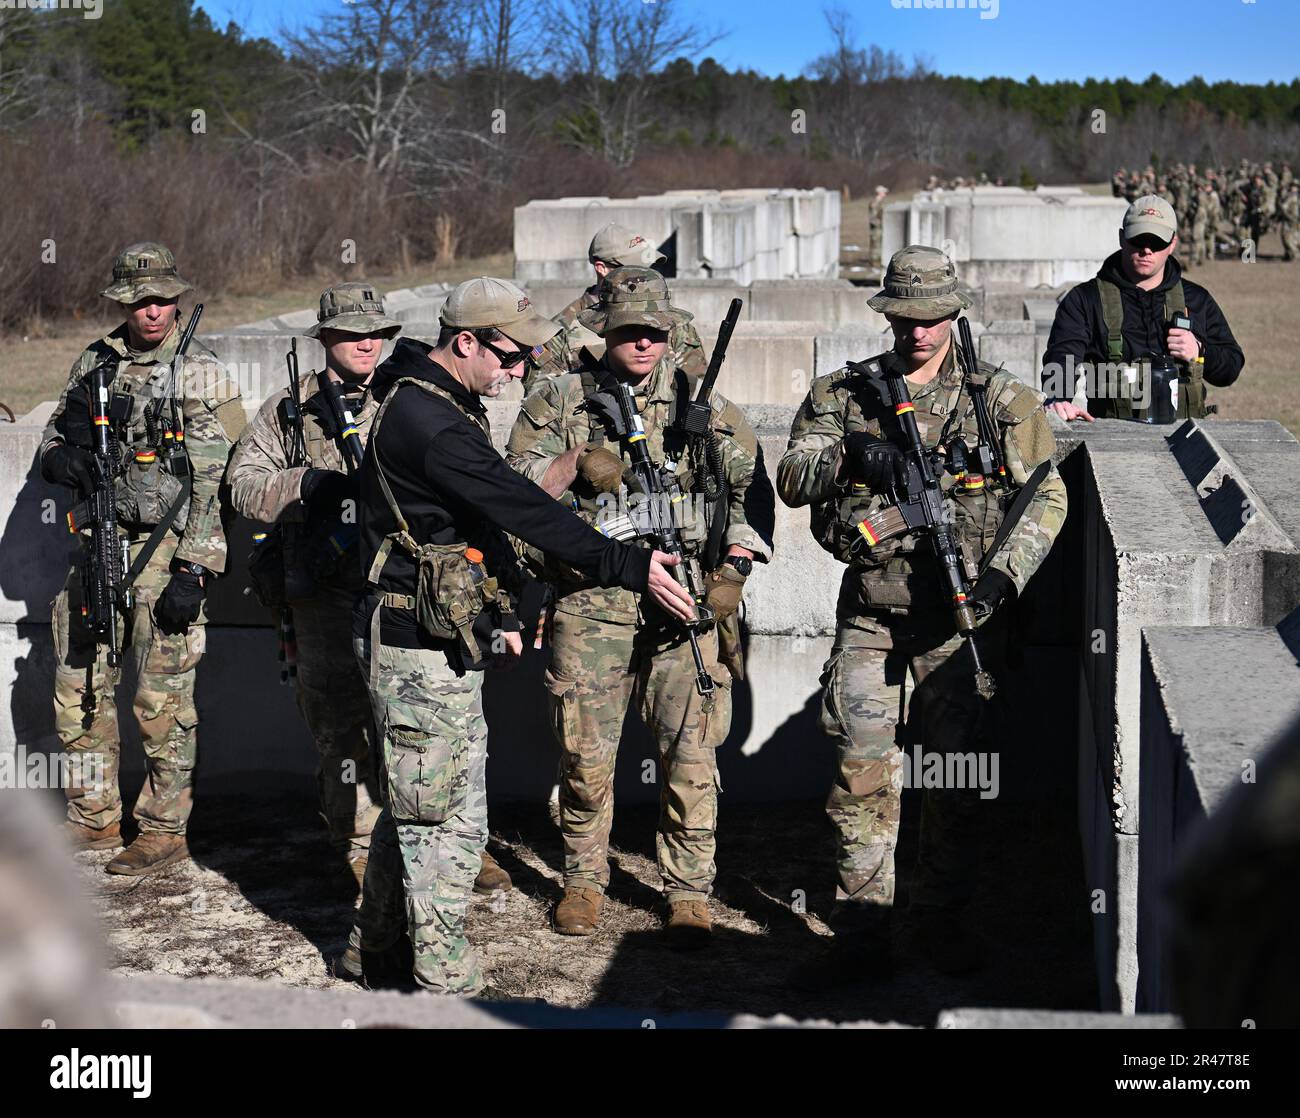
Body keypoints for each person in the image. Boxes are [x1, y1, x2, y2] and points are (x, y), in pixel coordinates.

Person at [338, 276, 693, 995]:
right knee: (444, 824)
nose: (520, 370)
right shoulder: (431, 424)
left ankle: (371, 949)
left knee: (417, 802)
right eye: (509, 355)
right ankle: (446, 987)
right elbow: (521, 507)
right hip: (413, 647)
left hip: (432, 637)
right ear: (464, 341)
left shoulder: (437, 399)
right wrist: (627, 563)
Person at [777, 245, 1067, 975]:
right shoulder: (845, 395)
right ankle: (865, 933)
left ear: (954, 313)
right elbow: (791, 477)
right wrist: (854, 456)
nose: (919, 332)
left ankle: (939, 921)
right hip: (873, 618)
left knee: (956, 781)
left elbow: (1046, 495)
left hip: (960, 622)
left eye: (933, 318)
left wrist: (1004, 578)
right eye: (905, 318)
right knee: (861, 777)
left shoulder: (998, 399)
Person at [506, 266, 775, 948]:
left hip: (684, 604)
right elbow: (512, 502)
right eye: (629, 331)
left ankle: (688, 892)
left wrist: (734, 570)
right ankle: (583, 881)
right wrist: (572, 467)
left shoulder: (702, 403)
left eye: (654, 332)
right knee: (585, 757)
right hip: (592, 605)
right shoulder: (561, 400)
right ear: (607, 331)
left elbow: (753, 494)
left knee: (691, 757)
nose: (643, 344)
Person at [41, 242, 245, 874]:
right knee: (80, 686)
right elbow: (52, 438)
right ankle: (94, 818)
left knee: (160, 704)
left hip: (166, 552)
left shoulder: (201, 371)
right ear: (121, 302)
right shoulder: (95, 363)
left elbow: (219, 481)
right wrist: (65, 459)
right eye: (139, 301)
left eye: (162, 299)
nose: (152, 311)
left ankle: (163, 828)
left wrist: (195, 567)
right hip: (98, 544)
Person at [227, 283, 399, 890]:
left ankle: (429, 836)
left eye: (376, 332)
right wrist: (307, 485)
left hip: (398, 589)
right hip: (323, 593)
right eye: (352, 333)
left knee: (414, 720)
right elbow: (243, 486)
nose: (367, 344)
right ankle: (355, 845)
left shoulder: (406, 395)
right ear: (325, 339)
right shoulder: (288, 410)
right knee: (339, 725)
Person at [1042, 194, 1243, 422]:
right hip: (1115, 438)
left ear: (1172, 245)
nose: (1147, 250)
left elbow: (1231, 367)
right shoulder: (1085, 299)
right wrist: (1058, 398)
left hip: (1184, 438)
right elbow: (1061, 358)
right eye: (1139, 239)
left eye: (1157, 242)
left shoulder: (1196, 299)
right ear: (1122, 238)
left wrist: (1200, 351)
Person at [531, 222, 706, 385]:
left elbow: (696, 389)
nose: (646, 276)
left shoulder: (672, 322)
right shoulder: (560, 331)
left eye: (649, 267)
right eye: (633, 270)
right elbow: (544, 399)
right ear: (602, 268)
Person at [868, 185, 889, 270]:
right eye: (884, 192)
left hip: (880, 227)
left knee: (879, 245)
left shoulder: (879, 202)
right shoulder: (875, 202)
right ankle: (874, 263)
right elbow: (873, 217)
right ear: (880, 193)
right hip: (876, 228)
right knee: (876, 245)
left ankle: (877, 262)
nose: (885, 194)